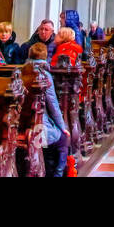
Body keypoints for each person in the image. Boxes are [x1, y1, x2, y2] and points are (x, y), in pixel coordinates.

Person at [25, 42, 71, 177]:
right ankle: (57, 174)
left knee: (50, 144)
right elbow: (53, 105)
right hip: (38, 126)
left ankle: (49, 169)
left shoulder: (22, 72)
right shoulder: (44, 75)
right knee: (63, 139)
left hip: (22, 124)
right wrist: (63, 127)